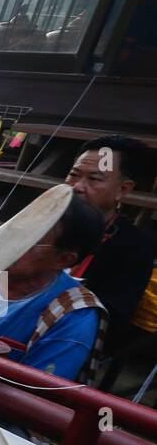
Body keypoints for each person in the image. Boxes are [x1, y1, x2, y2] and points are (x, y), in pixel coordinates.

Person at [0, 197, 107, 384]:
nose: (10, 243)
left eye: (30, 239)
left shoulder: (74, 315)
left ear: (64, 259)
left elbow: (35, 394)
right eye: (14, 231)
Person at [64, 135, 157, 391]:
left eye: (93, 179)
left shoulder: (135, 246)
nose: (78, 186)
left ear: (124, 189)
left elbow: (113, 318)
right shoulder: (39, 221)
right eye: (74, 175)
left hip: (67, 341)